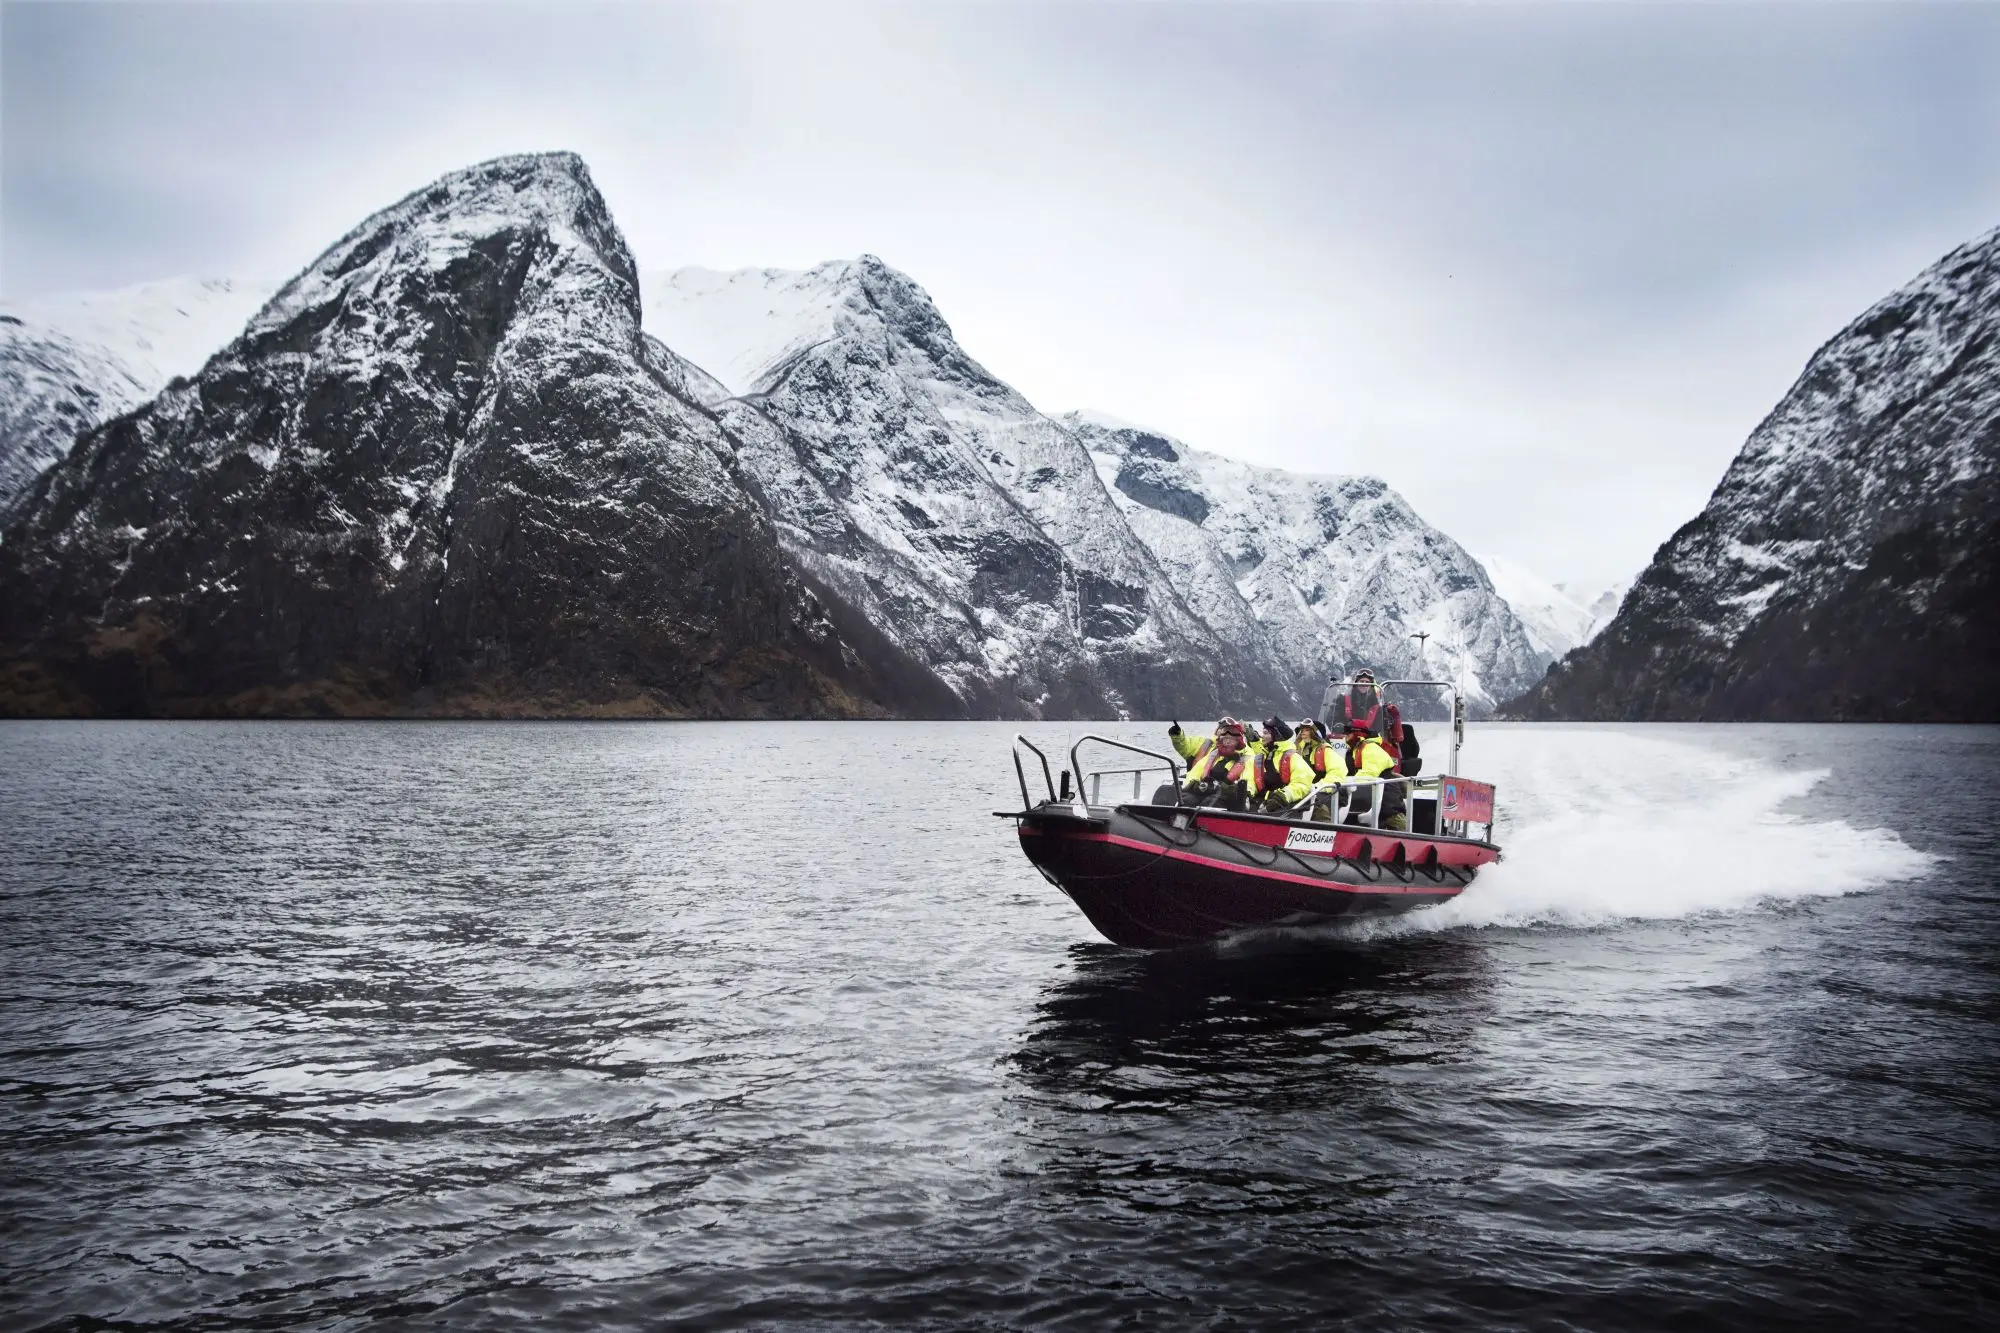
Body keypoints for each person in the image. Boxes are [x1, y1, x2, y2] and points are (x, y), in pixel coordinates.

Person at [1336, 723, 1408, 830]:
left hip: (1387, 801)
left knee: (1396, 824)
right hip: (1369, 799)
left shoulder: (1371, 748)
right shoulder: (1354, 750)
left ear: (1358, 734)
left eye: (1348, 733)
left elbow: (1369, 774)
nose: (1345, 736)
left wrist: (1346, 784)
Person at [1182, 718, 1264, 811]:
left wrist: (1237, 791)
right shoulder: (1213, 755)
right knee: (1186, 799)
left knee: (1211, 802)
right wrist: (1192, 784)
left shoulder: (1247, 757)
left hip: (1229, 797)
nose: (1227, 742)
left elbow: (1249, 781)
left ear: (1238, 740)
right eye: (1225, 739)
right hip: (1207, 790)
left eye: (1231, 739)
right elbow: (1194, 773)